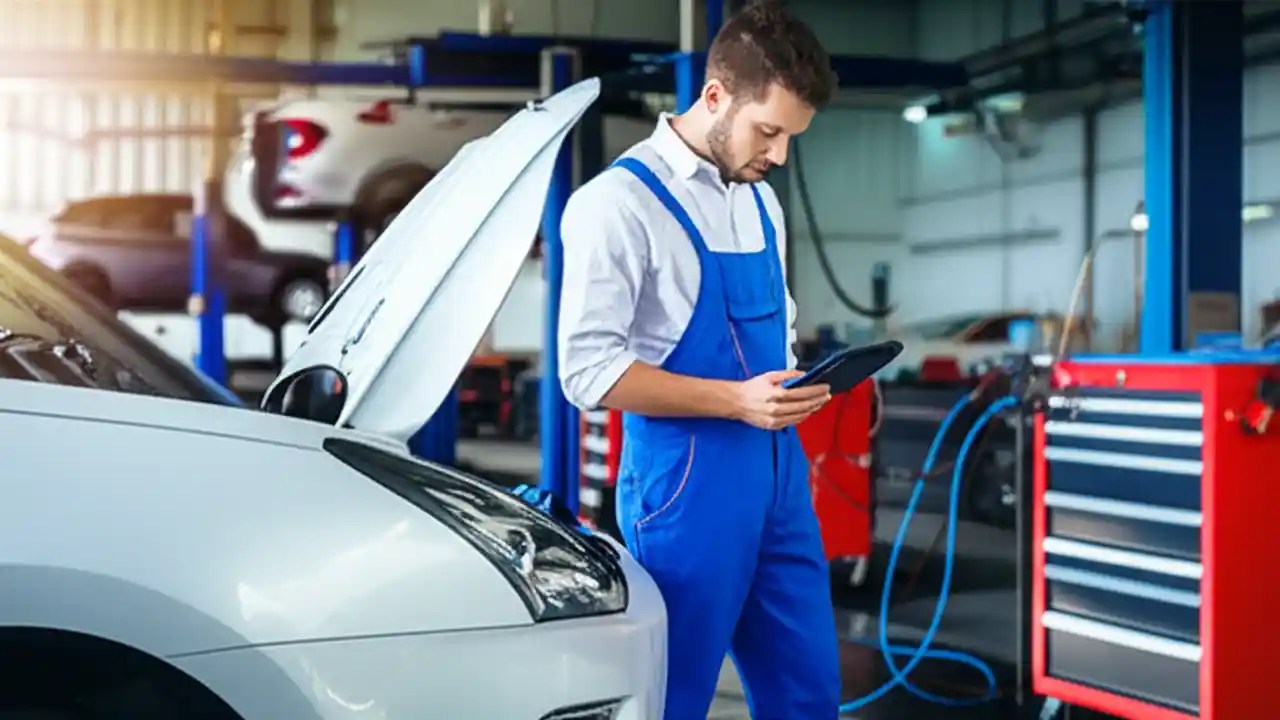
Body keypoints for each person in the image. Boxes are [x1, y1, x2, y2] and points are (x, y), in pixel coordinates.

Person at [557, 2, 842, 717]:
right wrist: (736, 401)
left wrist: (795, 387)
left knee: (808, 694)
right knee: (674, 698)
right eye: (768, 131)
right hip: (686, 489)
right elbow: (585, 371)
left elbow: (779, 328)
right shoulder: (617, 204)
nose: (779, 155)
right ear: (715, 96)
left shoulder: (760, 202)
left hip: (778, 478)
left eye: (792, 138)